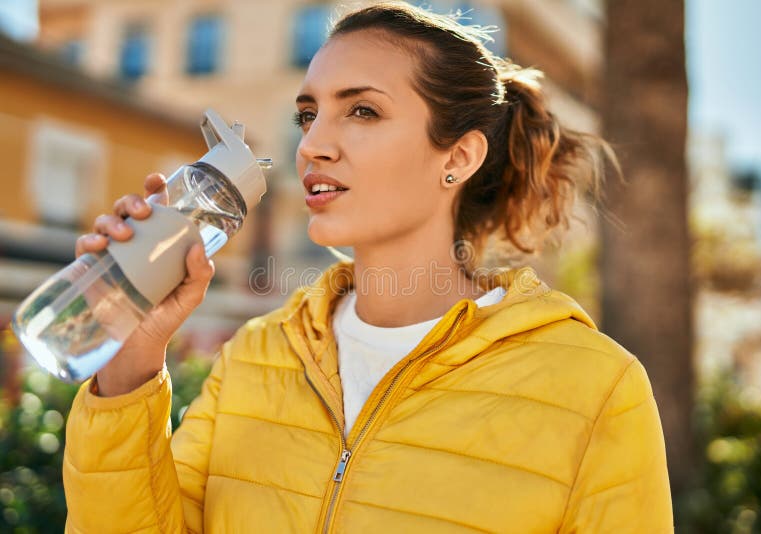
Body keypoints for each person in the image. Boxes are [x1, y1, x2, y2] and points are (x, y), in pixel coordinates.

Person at [62, 2, 673, 532]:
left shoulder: (596, 388)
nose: (312, 146)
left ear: (458, 156)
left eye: (362, 113)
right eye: (309, 115)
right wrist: (132, 360)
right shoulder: (256, 356)